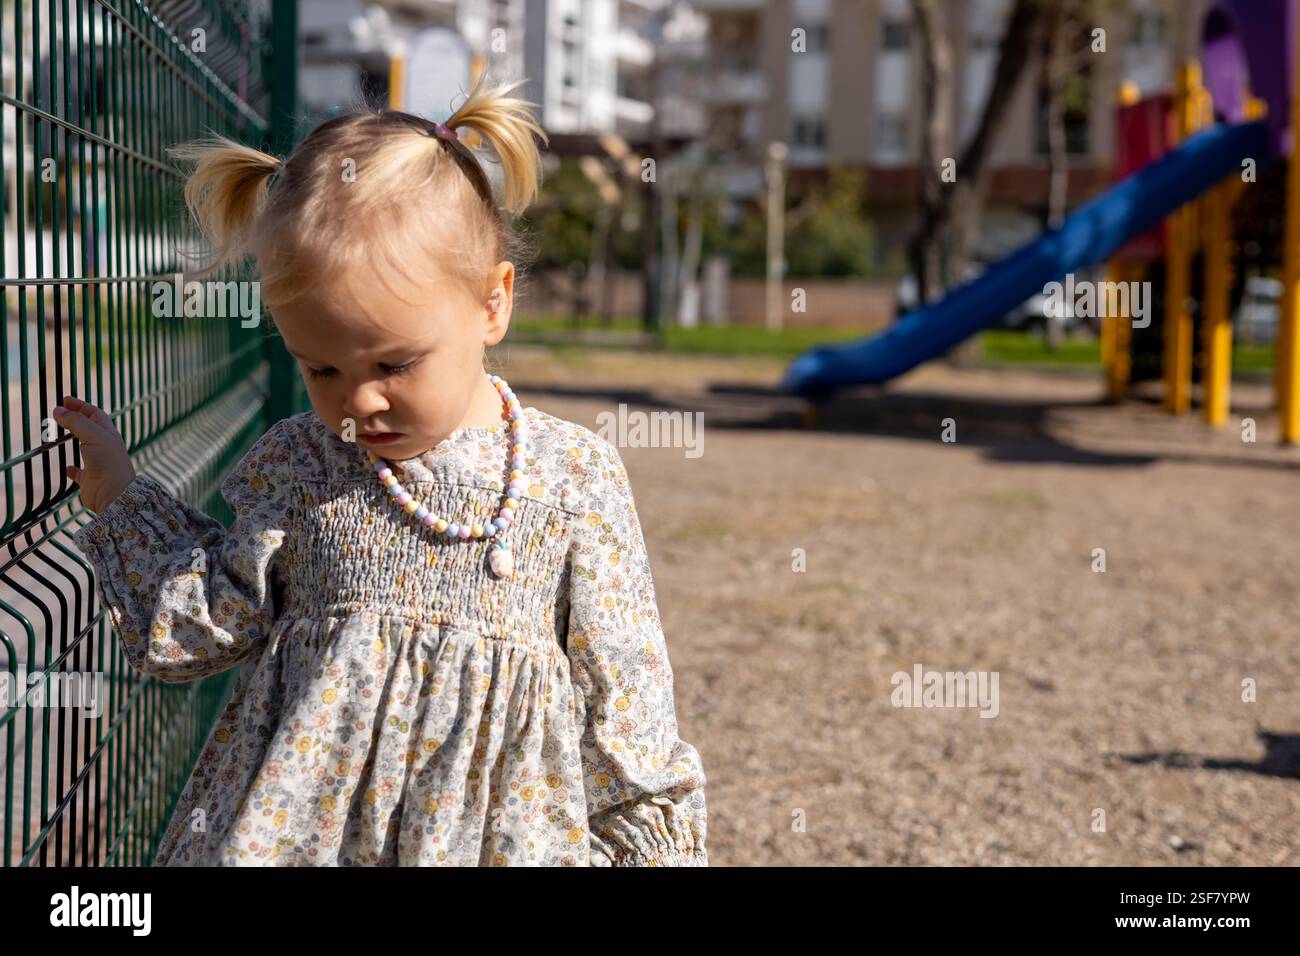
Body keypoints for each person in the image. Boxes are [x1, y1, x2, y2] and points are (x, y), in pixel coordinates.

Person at [56, 74, 708, 866]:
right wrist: (121, 498)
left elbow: (624, 689)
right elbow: (210, 621)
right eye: (320, 370)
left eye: (395, 363)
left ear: (492, 303)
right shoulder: (304, 464)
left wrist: (644, 839)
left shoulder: (572, 477)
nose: (357, 402)